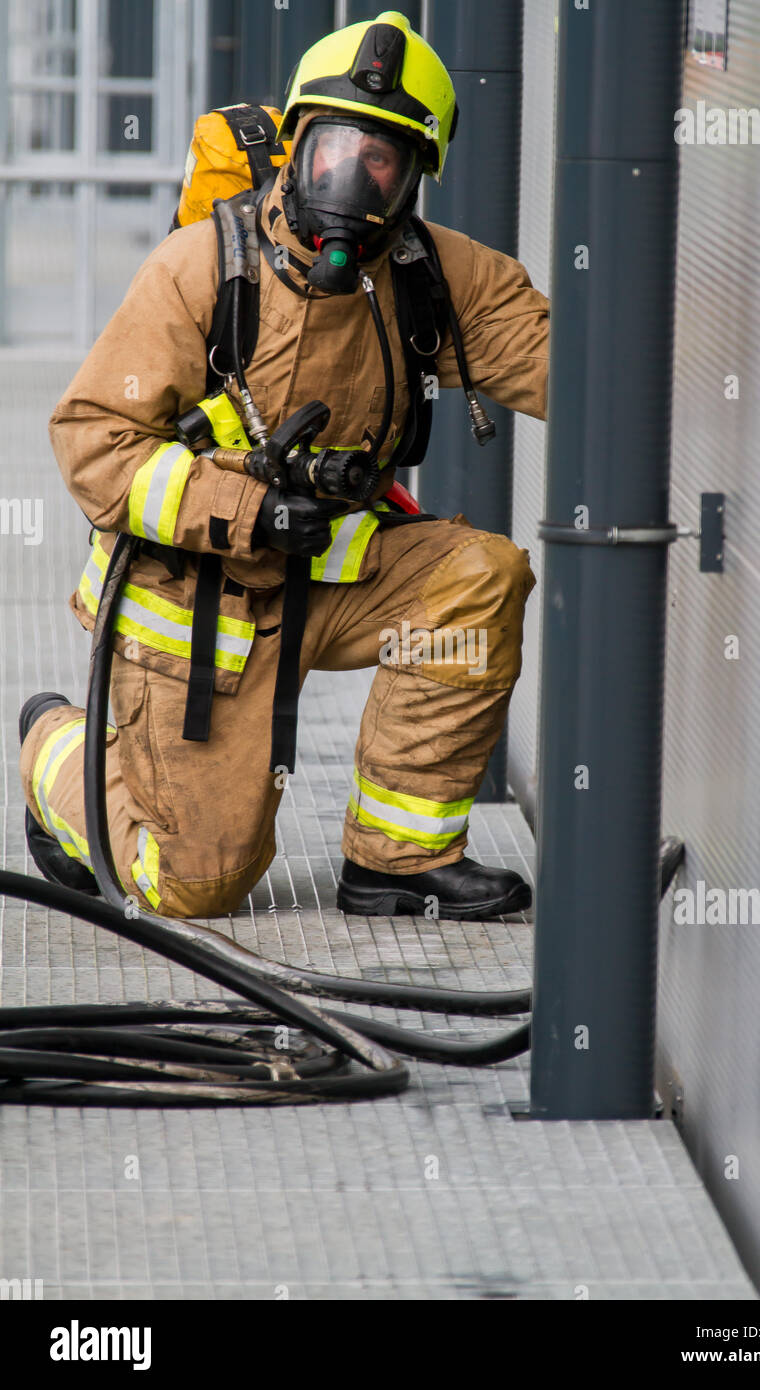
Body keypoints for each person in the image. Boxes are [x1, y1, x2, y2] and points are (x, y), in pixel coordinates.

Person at [18, 10, 549, 923]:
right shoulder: (202, 270)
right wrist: (247, 512)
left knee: (478, 577)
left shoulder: (434, 276)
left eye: (381, 161)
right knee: (193, 888)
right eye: (334, 147)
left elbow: (580, 374)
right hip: (197, 603)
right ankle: (55, 747)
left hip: (335, 575)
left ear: (414, 177)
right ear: (297, 143)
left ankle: (396, 858)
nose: (351, 180)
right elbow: (95, 442)